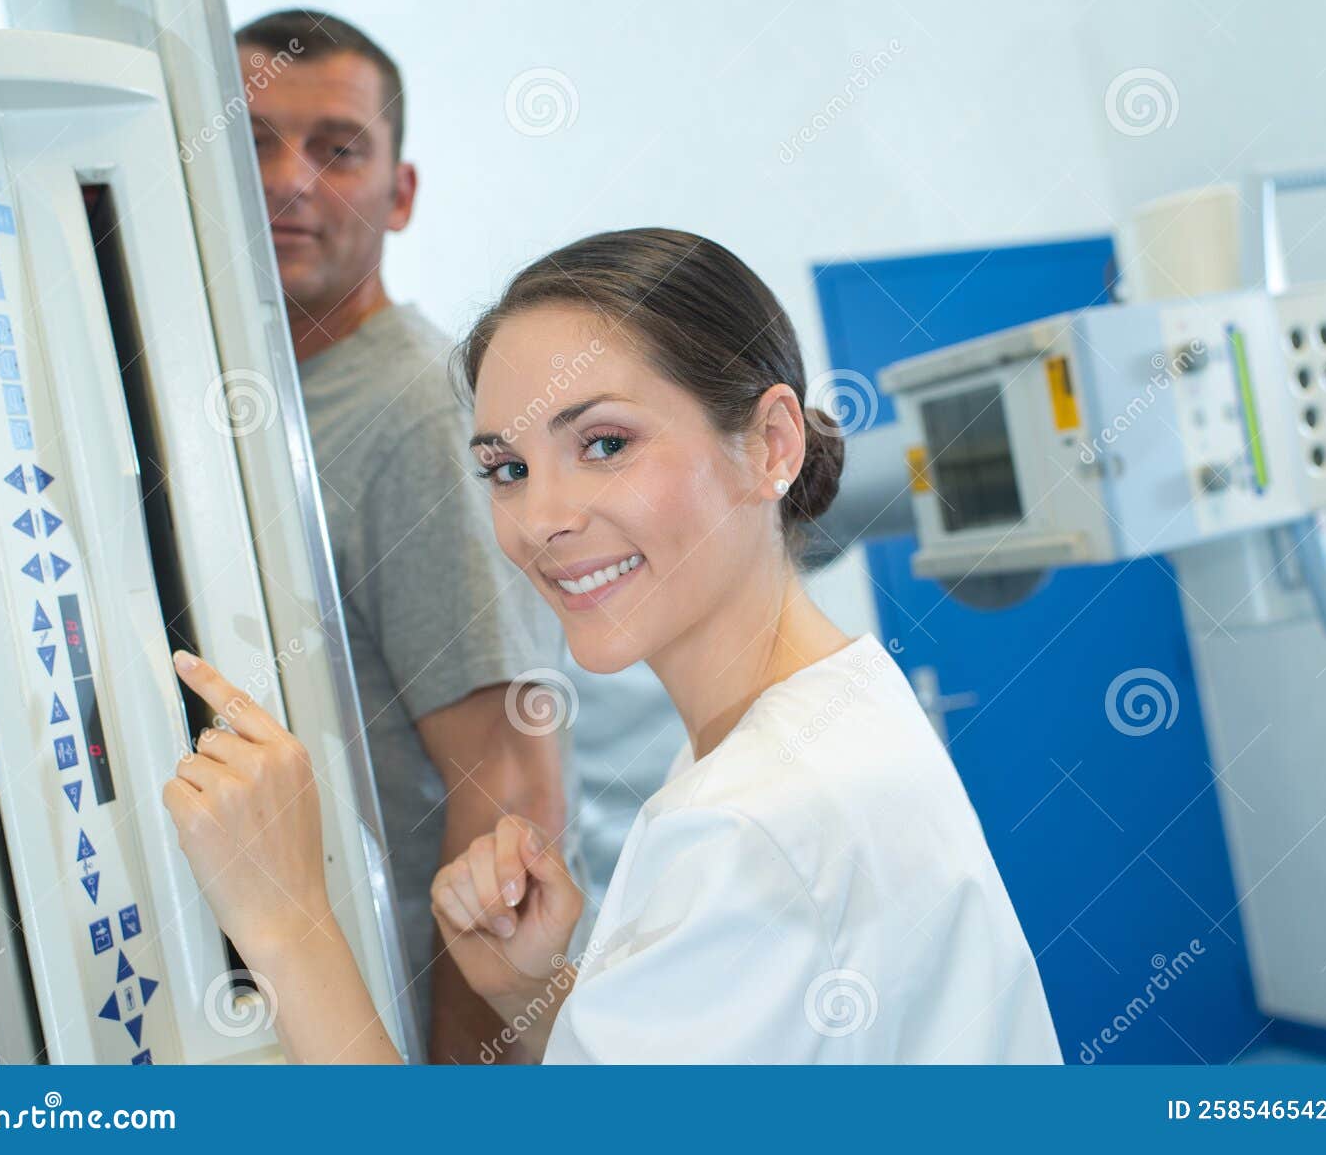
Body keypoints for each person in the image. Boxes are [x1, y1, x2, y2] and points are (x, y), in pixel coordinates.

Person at [163, 227, 1061, 1064]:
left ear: (770, 444)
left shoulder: (752, 826)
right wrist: (539, 989)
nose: (543, 521)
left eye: (604, 442)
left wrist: (282, 918)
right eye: (507, 469)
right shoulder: (827, 709)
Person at [232, 10, 577, 1062]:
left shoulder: (418, 413)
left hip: (415, 1036)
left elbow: (509, 786)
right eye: (253, 142)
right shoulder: (259, 401)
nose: (290, 180)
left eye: (338, 149)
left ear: (401, 190)